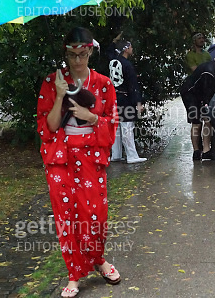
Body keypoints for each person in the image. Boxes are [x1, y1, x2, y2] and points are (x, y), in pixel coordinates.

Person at [36, 27, 121, 297]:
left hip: (91, 156)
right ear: (66, 54)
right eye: (72, 55)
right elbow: (47, 128)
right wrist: (60, 95)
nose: (77, 61)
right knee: (66, 216)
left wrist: (91, 117)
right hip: (61, 158)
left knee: (95, 214)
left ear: (91, 52)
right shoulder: (52, 82)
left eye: (83, 54)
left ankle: (97, 259)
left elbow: (112, 123)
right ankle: (74, 274)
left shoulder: (104, 84)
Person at [180, 50, 215, 161]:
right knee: (196, 123)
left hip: (201, 94)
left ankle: (206, 150)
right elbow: (205, 91)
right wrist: (207, 105)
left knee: (208, 121)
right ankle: (196, 151)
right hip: (190, 94)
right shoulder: (209, 71)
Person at [108, 39, 147, 164]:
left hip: (113, 98)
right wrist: (138, 103)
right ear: (126, 48)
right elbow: (133, 86)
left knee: (116, 128)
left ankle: (116, 154)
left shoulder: (112, 61)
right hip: (125, 99)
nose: (132, 48)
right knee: (127, 127)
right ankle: (132, 155)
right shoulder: (127, 65)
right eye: (130, 46)